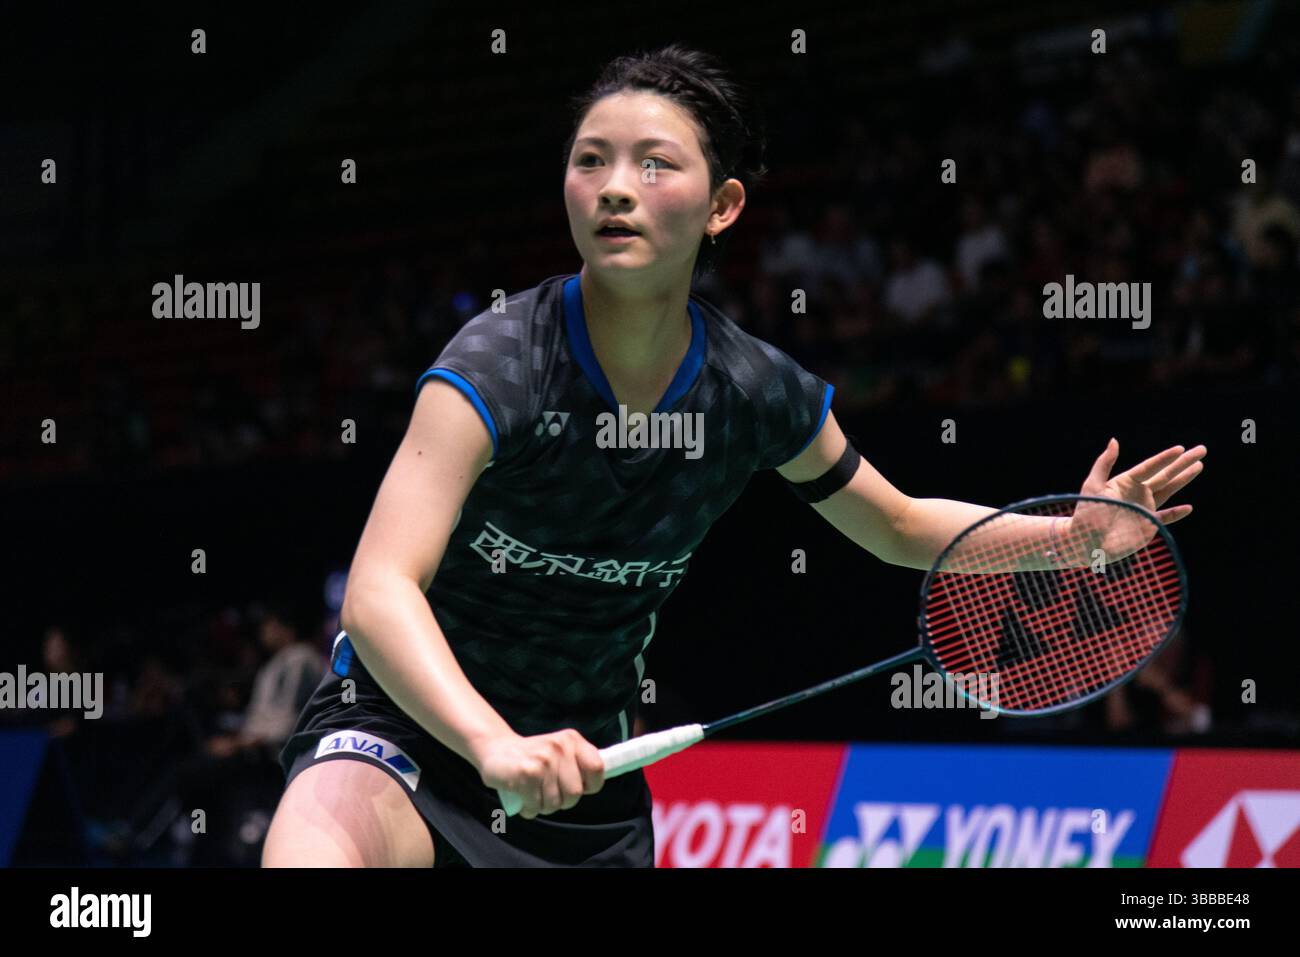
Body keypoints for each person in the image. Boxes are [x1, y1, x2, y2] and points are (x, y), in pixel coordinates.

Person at [263, 44, 1207, 868]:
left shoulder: (753, 392)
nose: (616, 186)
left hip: (582, 775)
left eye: (653, 163)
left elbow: (902, 525)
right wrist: (490, 740)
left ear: (724, 205)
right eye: (590, 161)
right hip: (404, 728)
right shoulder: (500, 364)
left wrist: (1074, 538)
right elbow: (381, 585)